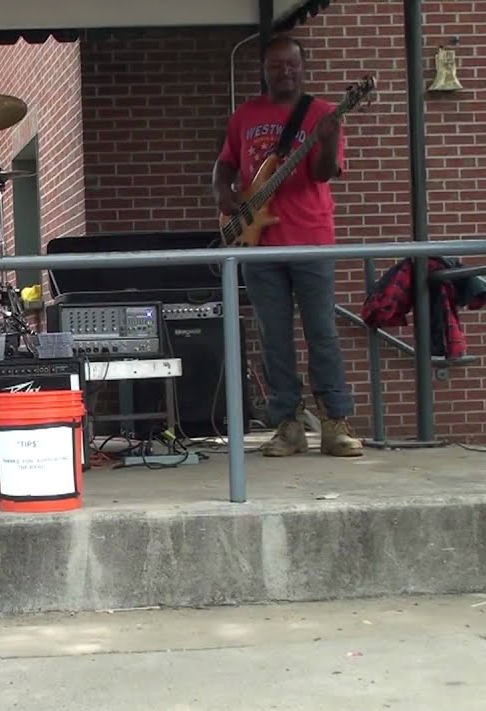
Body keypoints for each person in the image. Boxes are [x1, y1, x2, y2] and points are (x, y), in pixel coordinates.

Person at [212, 36, 363, 458]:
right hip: (259, 244)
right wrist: (223, 192)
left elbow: (322, 173)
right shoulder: (246, 115)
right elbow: (225, 163)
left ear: (304, 67)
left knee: (323, 333)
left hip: (311, 239)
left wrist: (330, 137)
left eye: (292, 65)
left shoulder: (323, 113)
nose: (286, 72)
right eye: (277, 66)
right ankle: (287, 424)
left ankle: (335, 422)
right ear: (264, 70)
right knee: (273, 336)